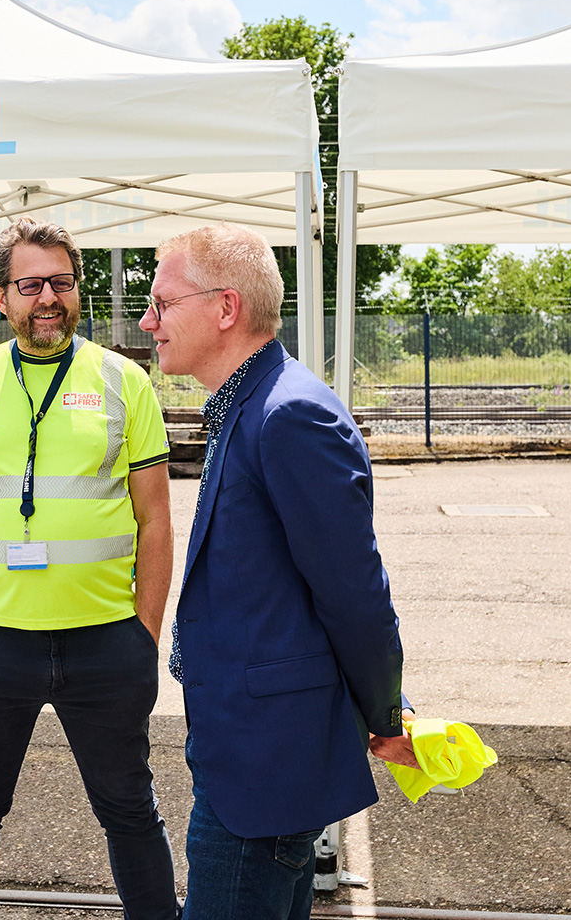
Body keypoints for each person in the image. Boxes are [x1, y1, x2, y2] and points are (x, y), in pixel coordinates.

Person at [137, 225, 417, 920]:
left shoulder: (288, 414)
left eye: (162, 303)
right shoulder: (251, 404)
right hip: (248, 750)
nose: (147, 321)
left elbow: (353, 592)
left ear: (225, 307)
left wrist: (386, 710)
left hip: (265, 765)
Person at [0, 217, 179, 920]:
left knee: (130, 809)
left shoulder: (125, 381)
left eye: (61, 283)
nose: (47, 298)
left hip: (106, 640)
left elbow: (156, 520)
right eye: (30, 284)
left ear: (77, 292)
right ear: (2, 297)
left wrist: (145, 631)